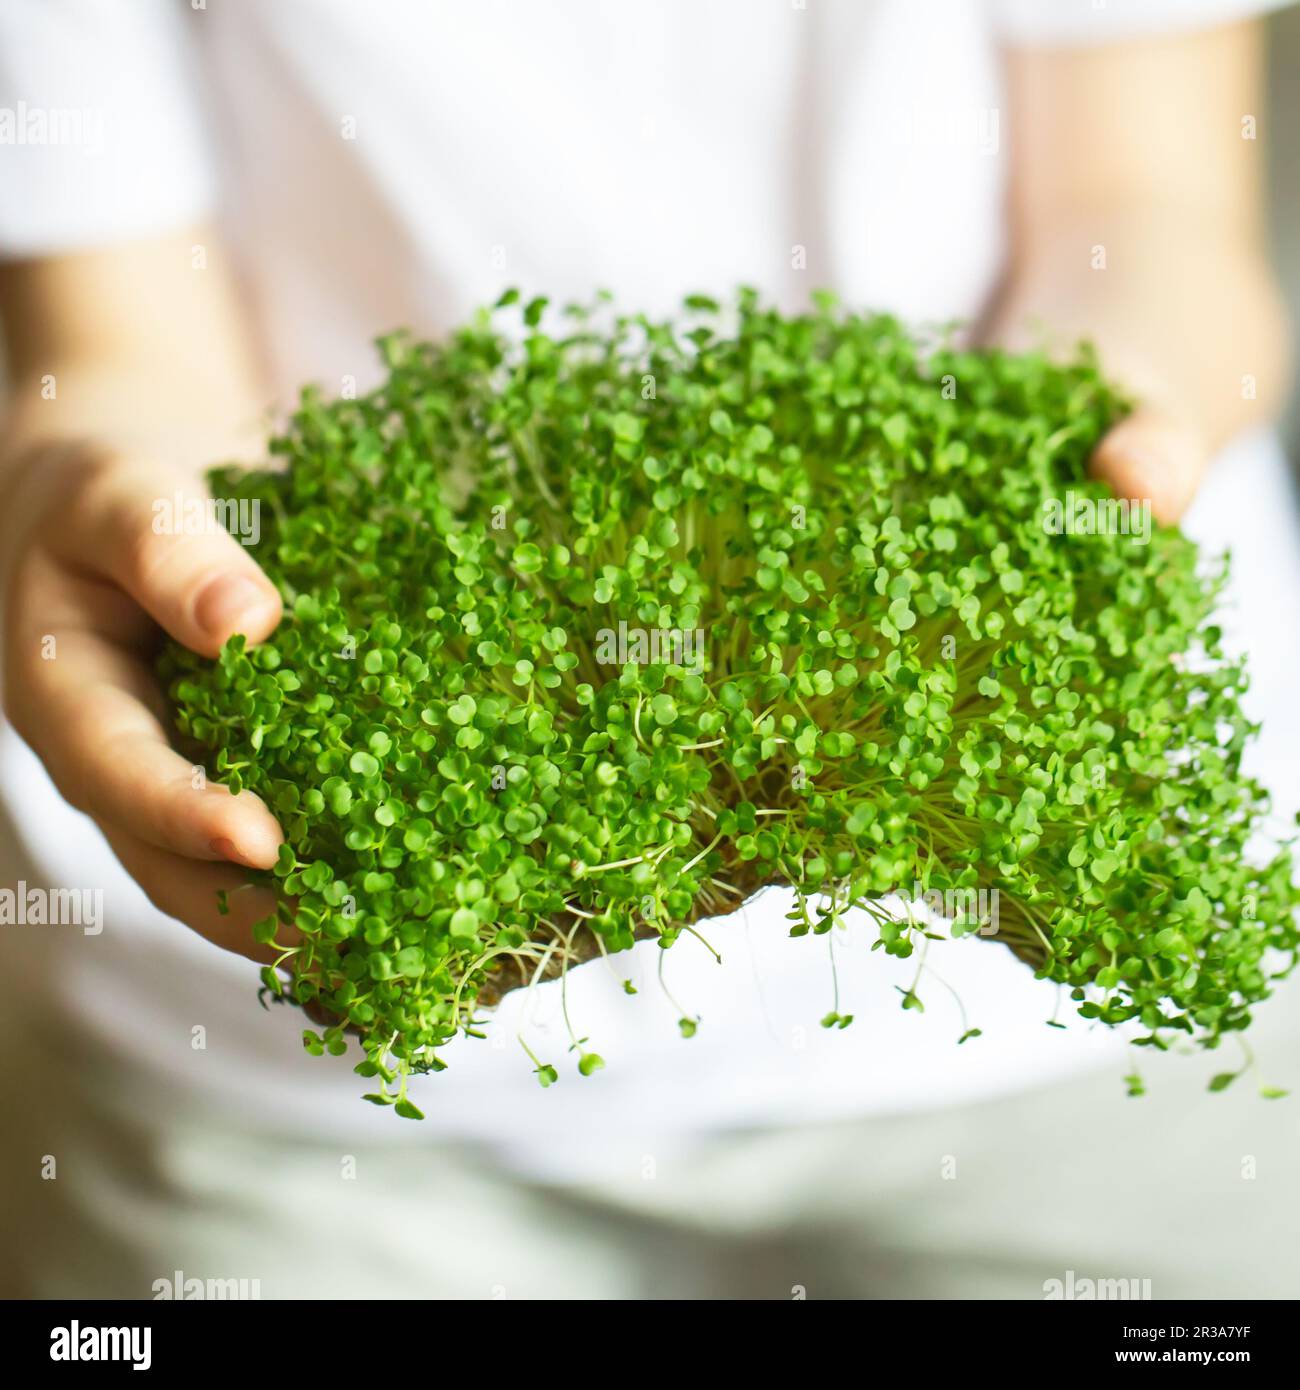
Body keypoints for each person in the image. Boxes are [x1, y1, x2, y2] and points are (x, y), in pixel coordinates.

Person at [1, 0, 1298, 1299]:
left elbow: (1149, 201)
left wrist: (1113, 429)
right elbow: (122, 347)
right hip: (293, 1108)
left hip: (1058, 1053)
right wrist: (119, 510)